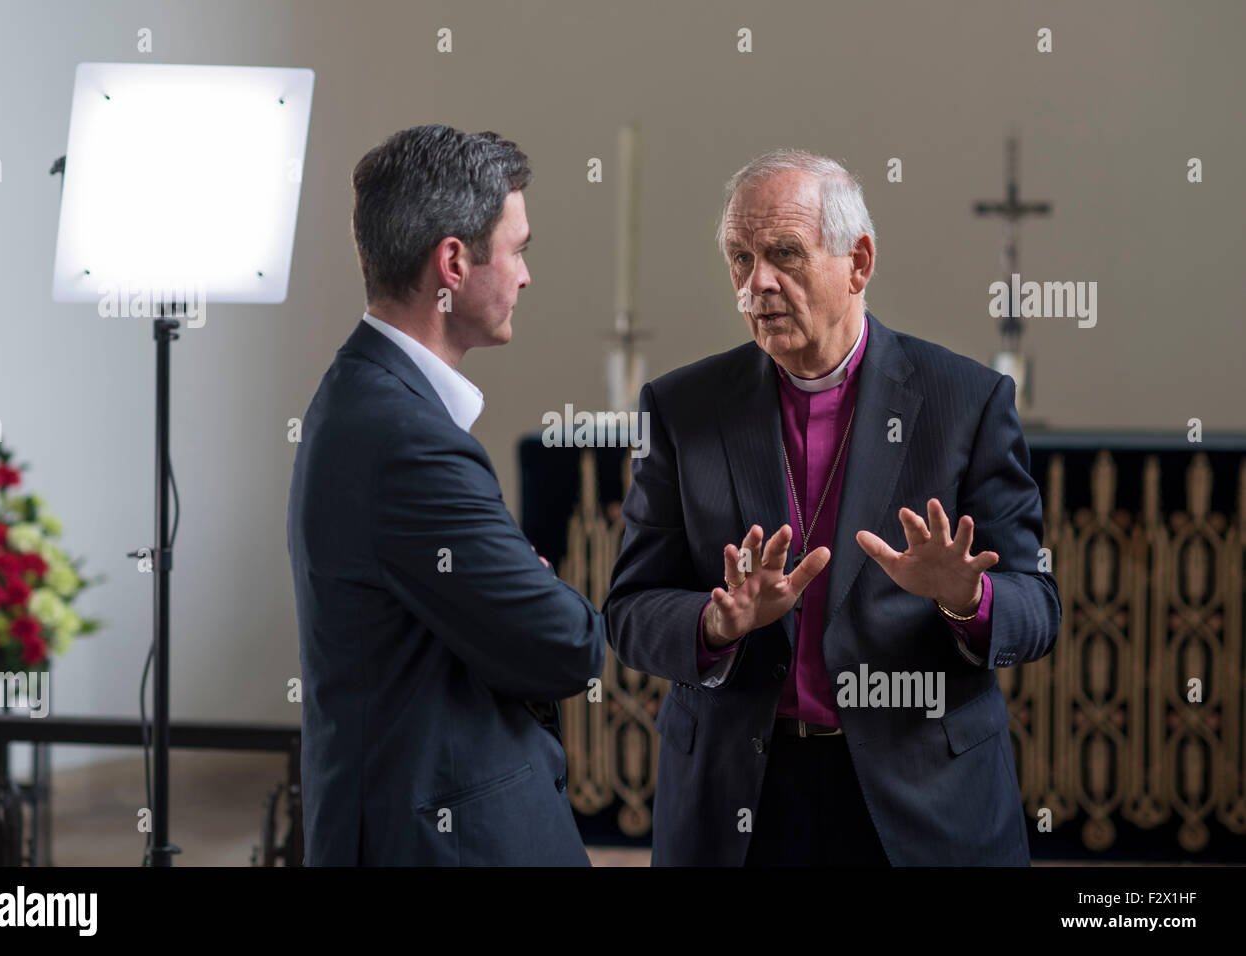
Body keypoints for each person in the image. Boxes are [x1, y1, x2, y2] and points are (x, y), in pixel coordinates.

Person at [604, 150, 1060, 866]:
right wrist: (713, 622)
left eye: (784, 253)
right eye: (740, 258)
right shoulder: (682, 409)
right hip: (740, 799)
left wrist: (969, 599)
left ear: (859, 261)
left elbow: (1039, 609)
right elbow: (628, 611)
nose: (757, 282)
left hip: (918, 799)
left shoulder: (965, 403)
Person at [288, 124, 604, 865]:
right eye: (518, 248)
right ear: (454, 263)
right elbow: (567, 644)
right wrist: (539, 587)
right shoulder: (407, 439)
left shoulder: (367, 397)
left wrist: (518, 586)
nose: (526, 275)